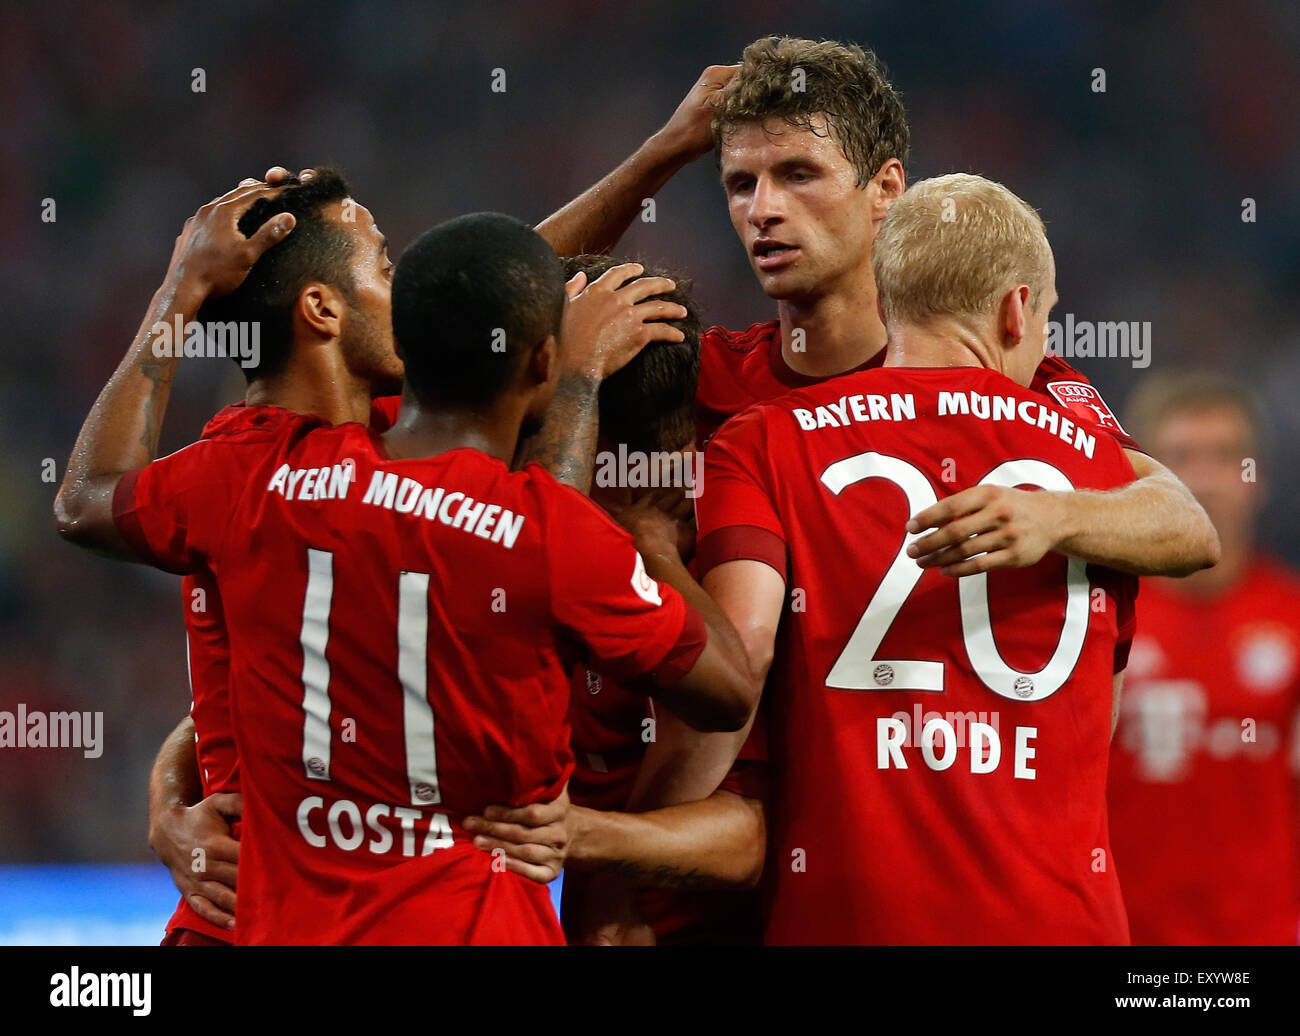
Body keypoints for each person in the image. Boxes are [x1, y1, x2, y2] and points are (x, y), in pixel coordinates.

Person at [58, 210, 757, 944]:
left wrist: (182, 284)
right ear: (540, 363)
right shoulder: (553, 531)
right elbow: (727, 691)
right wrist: (652, 538)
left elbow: (85, 503)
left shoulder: (261, 477)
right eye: (382, 267)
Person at [693, 172, 1139, 943]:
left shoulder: (765, 438)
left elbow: (741, 655)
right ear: (1016, 310)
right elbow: (1102, 720)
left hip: (850, 916)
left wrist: (638, 837)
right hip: (1063, 920)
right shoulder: (1103, 472)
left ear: (885, 301)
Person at [1107, 375, 1300, 945]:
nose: (1206, 480)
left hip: (1262, 933)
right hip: (1119, 933)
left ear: (1257, 479)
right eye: (1182, 458)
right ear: (1141, 480)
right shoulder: (1096, 618)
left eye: (1226, 458)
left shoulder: (1293, 619)